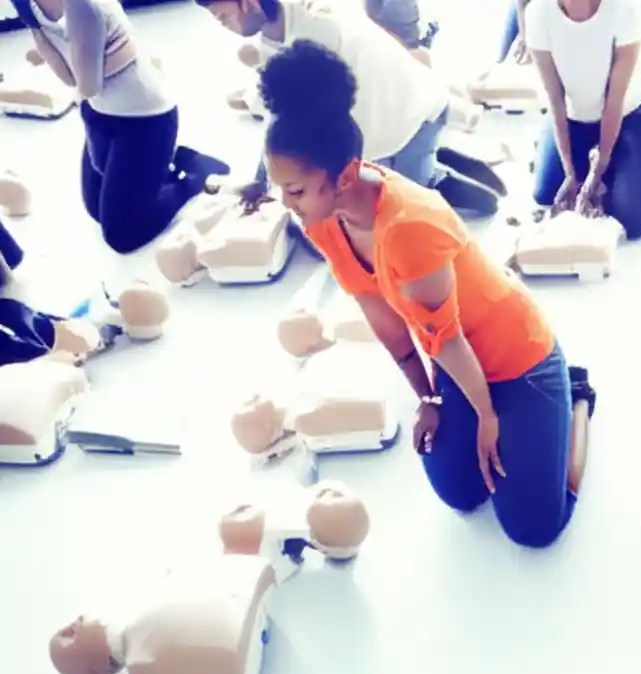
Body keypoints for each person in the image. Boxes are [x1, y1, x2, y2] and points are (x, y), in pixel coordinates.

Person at [257, 41, 588, 549]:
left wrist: (487, 416)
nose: (287, 202)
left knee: (533, 529)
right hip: (458, 361)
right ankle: (521, 423)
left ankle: (577, 399)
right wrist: (429, 397)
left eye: (295, 190)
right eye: (281, 187)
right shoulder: (324, 218)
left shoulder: (409, 226)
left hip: (517, 357)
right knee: (461, 493)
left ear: (345, 177)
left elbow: (450, 339)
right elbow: (384, 318)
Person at [195, 0, 505, 217]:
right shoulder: (276, 31)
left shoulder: (314, 29)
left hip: (414, 116)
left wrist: (269, 181)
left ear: (247, 3)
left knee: (395, 209)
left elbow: (298, 123)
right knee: (345, 200)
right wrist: (262, 178)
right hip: (393, 110)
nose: (225, 26)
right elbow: (280, 114)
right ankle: (427, 159)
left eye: (223, 17)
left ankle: (436, 175)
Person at [9, 0, 229, 254]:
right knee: (97, 210)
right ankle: (165, 165)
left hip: (145, 118)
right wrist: (35, 27)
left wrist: (76, 62)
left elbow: (88, 85)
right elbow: (71, 80)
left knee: (122, 235)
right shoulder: (31, 5)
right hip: (98, 113)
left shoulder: (83, 6)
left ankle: (195, 176)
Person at [526, 0, 641, 240]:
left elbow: (615, 100)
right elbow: (555, 99)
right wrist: (570, 172)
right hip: (573, 116)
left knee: (636, 219)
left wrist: (596, 173)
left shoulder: (625, 9)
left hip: (626, 114)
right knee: (546, 193)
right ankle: (602, 160)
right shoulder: (538, 12)